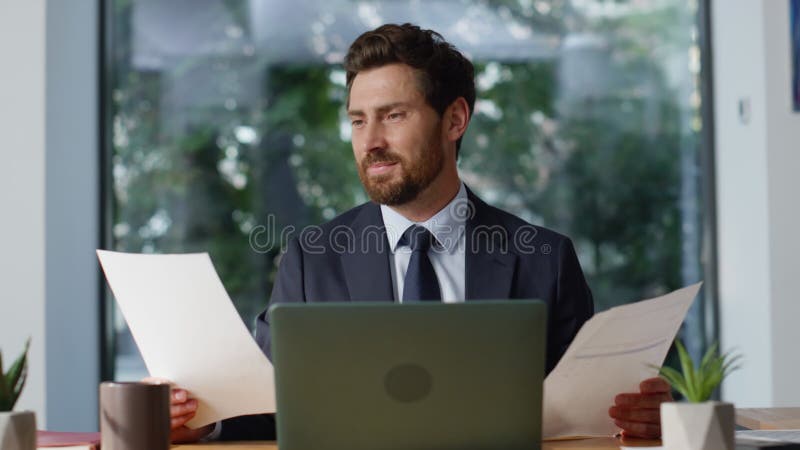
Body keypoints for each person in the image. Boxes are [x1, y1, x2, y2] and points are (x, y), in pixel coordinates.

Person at [163, 23, 672, 443]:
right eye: (359, 121)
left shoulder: (543, 258)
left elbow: (587, 414)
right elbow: (270, 408)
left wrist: (646, 418)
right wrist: (204, 420)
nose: (372, 141)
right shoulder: (312, 258)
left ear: (455, 119)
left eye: (394, 116)